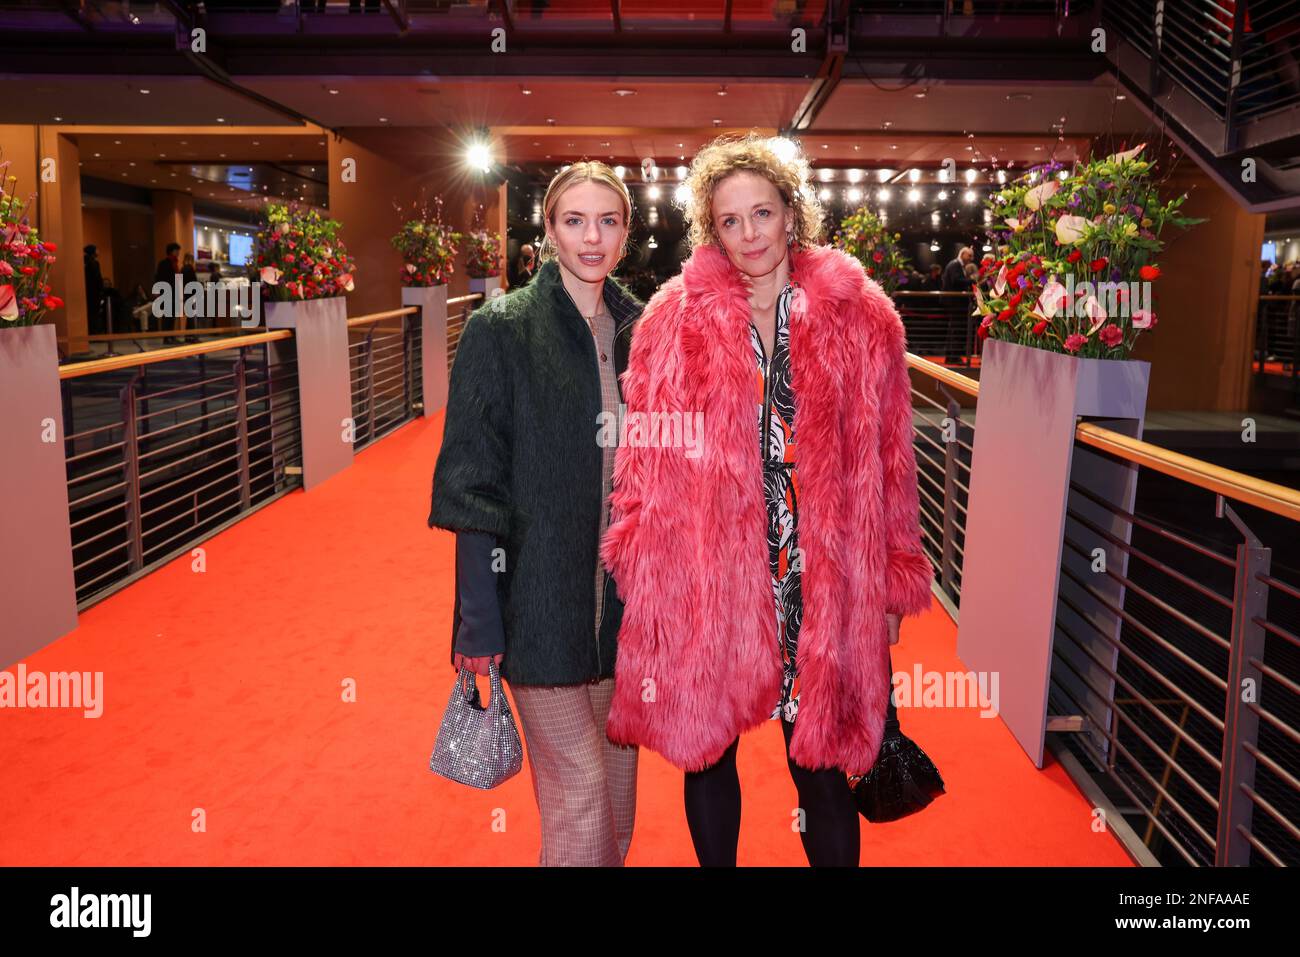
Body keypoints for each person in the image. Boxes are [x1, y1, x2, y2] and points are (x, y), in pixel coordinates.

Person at [600, 133, 933, 867]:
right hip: (710, 570)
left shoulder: (861, 316)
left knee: (818, 766)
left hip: (819, 578)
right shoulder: (670, 319)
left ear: (792, 213)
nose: (750, 234)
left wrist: (892, 577)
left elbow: (892, 461)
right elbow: (642, 460)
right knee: (707, 753)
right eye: (730, 220)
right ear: (709, 228)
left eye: (763, 212)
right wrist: (639, 569)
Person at [428, 161, 645, 867]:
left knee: (616, 793)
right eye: (575, 220)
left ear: (626, 232)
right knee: (579, 789)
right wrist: (478, 619)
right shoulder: (502, 328)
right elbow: (471, 481)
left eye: (607, 221)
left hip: (624, 612)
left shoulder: (645, 329)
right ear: (548, 230)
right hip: (535, 608)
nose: (592, 237)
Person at [153, 242, 182, 343]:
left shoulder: (175, 263)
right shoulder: (165, 263)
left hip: (174, 293)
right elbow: (160, 278)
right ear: (172, 251)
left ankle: (171, 336)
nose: (178, 253)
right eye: (177, 250)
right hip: (167, 292)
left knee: (172, 315)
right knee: (168, 316)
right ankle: (167, 337)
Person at [83, 245, 105, 335]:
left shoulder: (84, 262)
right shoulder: (94, 263)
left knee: (90, 314)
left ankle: (92, 332)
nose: (98, 251)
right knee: (94, 314)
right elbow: (97, 278)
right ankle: (95, 333)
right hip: (94, 292)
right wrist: (101, 289)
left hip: (88, 291)